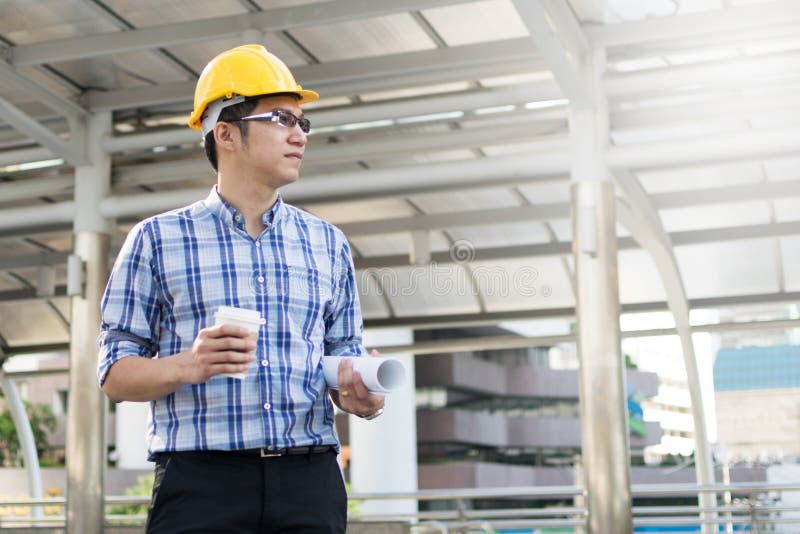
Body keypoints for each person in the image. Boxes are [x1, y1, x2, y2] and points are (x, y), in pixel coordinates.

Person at [96, 44, 384, 533]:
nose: (299, 135)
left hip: (309, 481)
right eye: (280, 119)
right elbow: (113, 374)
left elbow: (343, 355)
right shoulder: (156, 240)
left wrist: (361, 395)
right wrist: (189, 364)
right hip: (201, 486)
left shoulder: (327, 243)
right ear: (225, 133)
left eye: (302, 123)